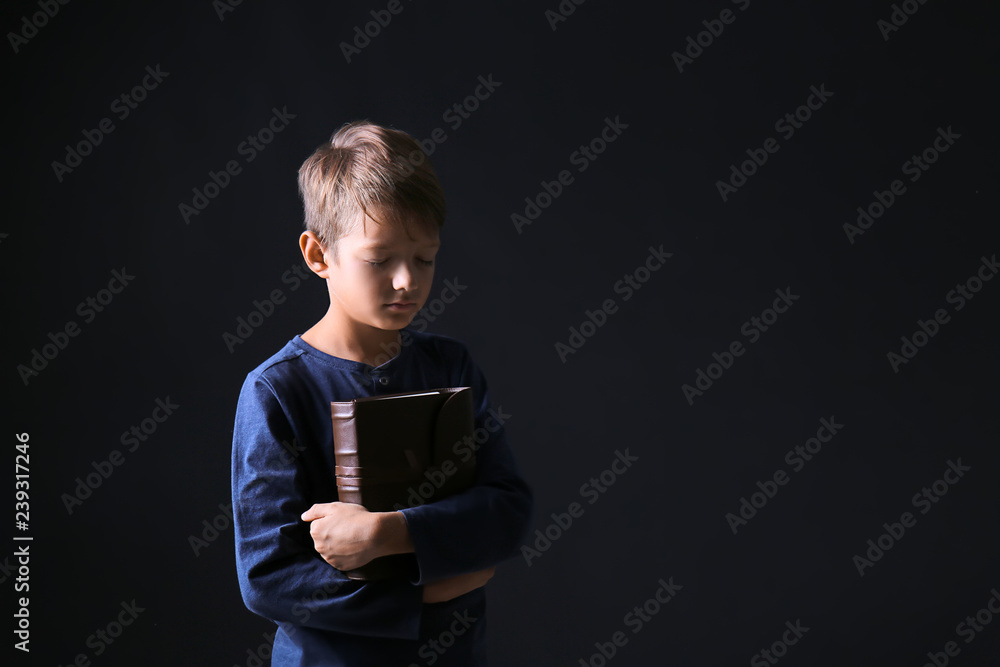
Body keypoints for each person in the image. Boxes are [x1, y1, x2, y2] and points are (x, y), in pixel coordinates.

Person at [231, 119, 533, 666]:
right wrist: (421, 595)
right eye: (380, 259)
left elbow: (508, 512)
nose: (407, 282)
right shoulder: (277, 390)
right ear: (318, 255)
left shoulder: (450, 365)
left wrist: (392, 533)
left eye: (424, 258)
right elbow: (268, 578)